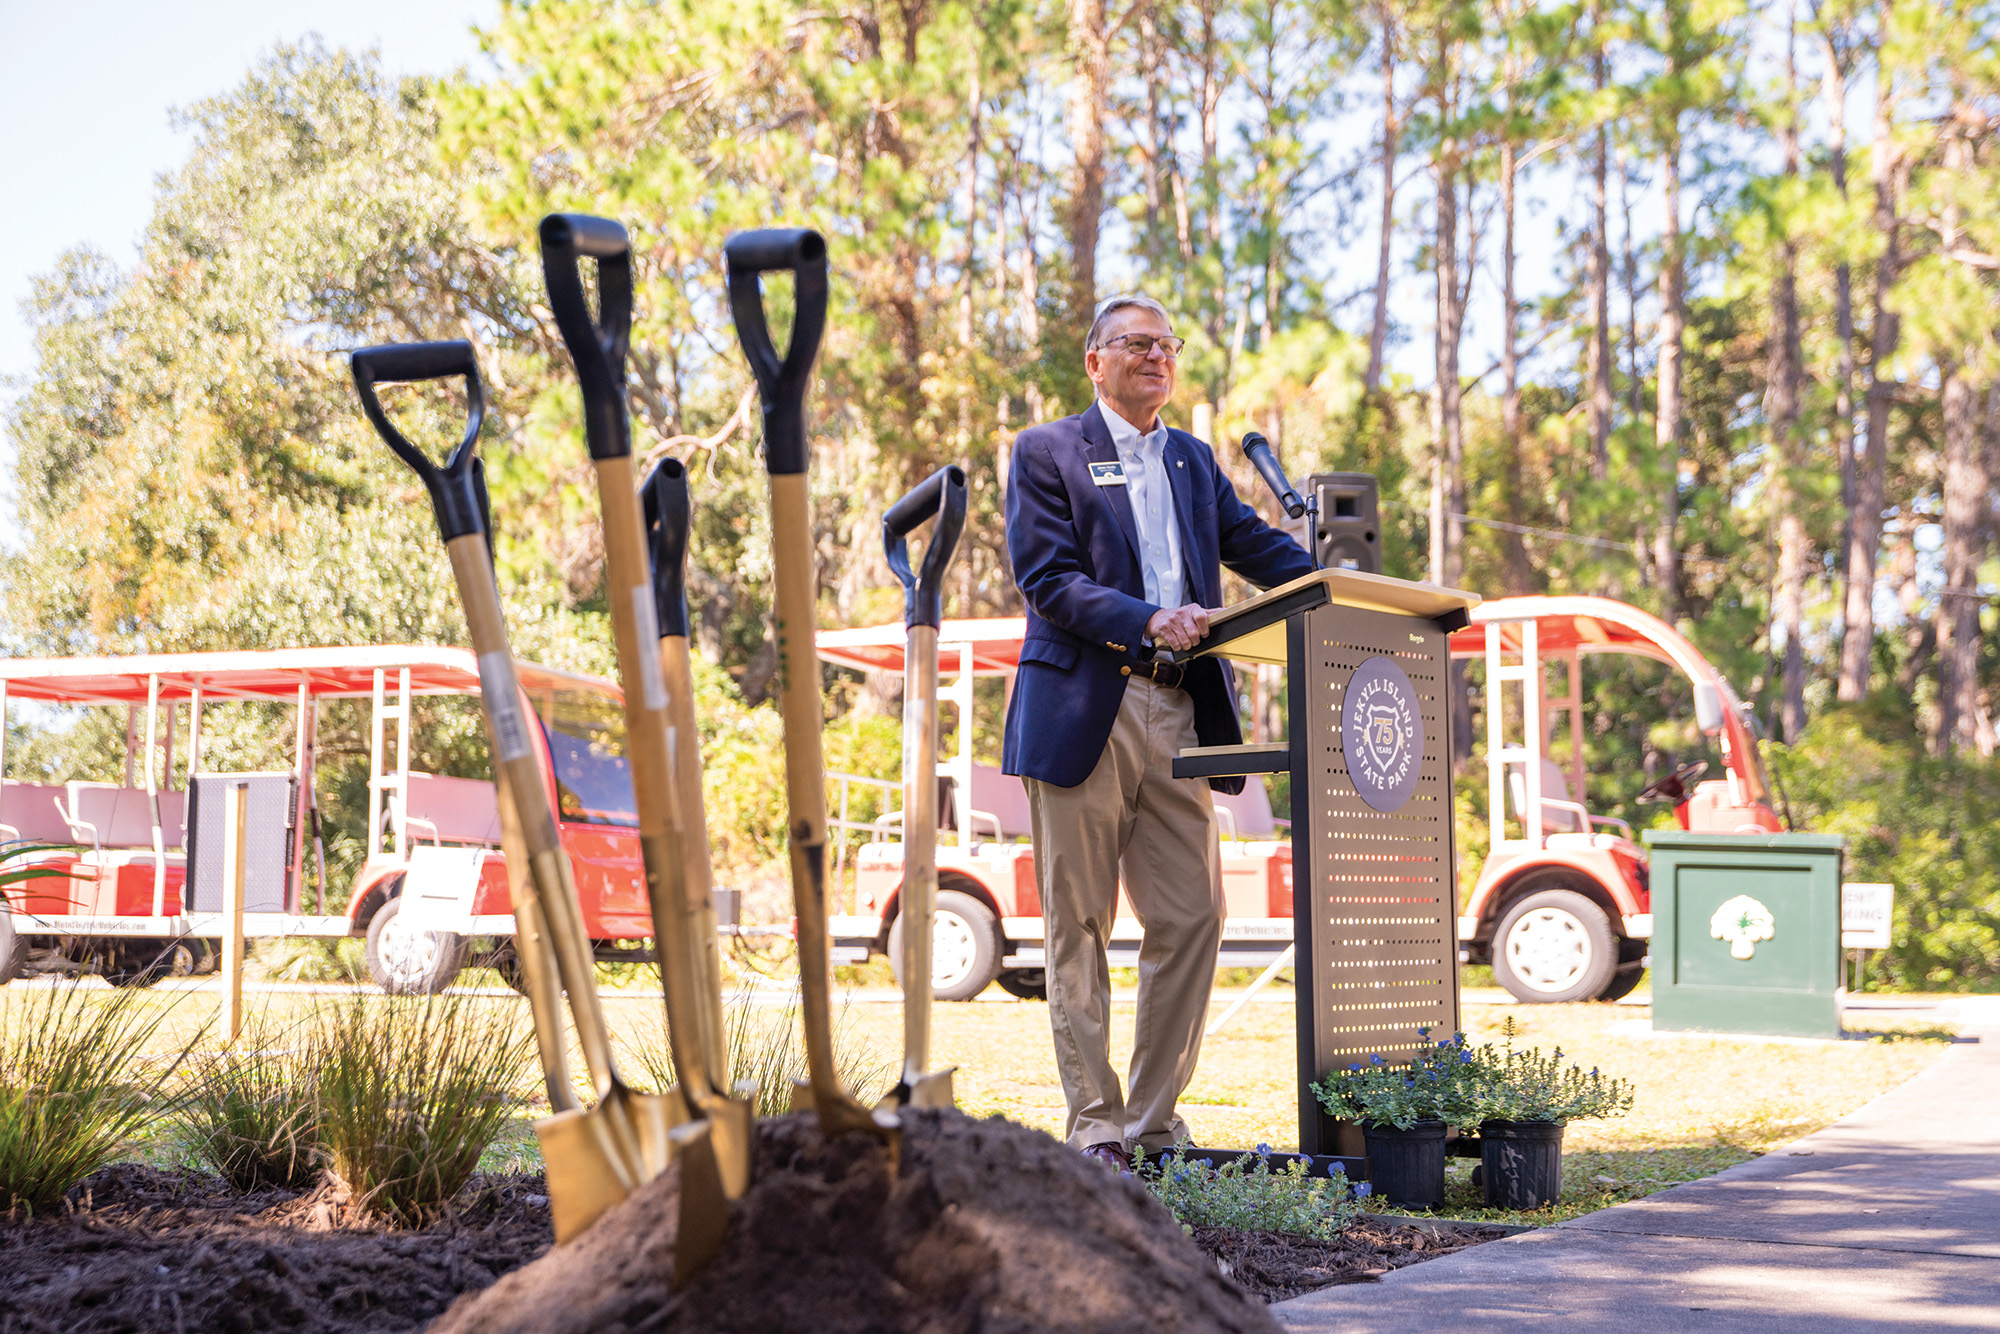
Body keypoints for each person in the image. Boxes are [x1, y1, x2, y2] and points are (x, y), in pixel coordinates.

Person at [1002, 294, 1314, 1171]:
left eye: (1166, 345)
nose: (1155, 357)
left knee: (1194, 915)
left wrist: (1337, 582)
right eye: (1135, 343)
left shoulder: (1190, 459)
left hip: (1181, 707)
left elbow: (1253, 545)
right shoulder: (1047, 451)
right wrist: (1146, 618)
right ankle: (1097, 1129)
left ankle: (1152, 1127)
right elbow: (1047, 579)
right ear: (1094, 362)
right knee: (1079, 923)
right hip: (1086, 708)